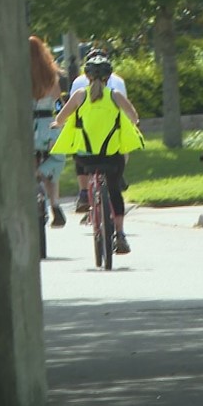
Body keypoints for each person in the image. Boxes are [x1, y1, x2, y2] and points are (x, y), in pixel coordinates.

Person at [50, 54, 143, 254]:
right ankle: (119, 233)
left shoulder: (79, 96)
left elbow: (61, 118)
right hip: (112, 157)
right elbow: (134, 118)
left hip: (87, 159)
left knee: (80, 156)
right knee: (114, 190)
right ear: (109, 77)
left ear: (87, 76)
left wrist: (58, 124)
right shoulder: (116, 95)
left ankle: (86, 194)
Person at [68, 48, 128, 213]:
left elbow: (71, 112)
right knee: (122, 144)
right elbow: (128, 114)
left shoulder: (79, 88)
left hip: (87, 149)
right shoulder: (117, 86)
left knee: (78, 147)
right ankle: (119, 177)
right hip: (111, 149)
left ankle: (83, 192)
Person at [30, 36, 68, 228]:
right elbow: (57, 101)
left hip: (27, 127)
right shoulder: (50, 74)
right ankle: (55, 204)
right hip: (48, 126)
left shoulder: (18, 75)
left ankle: (35, 175)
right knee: (54, 162)